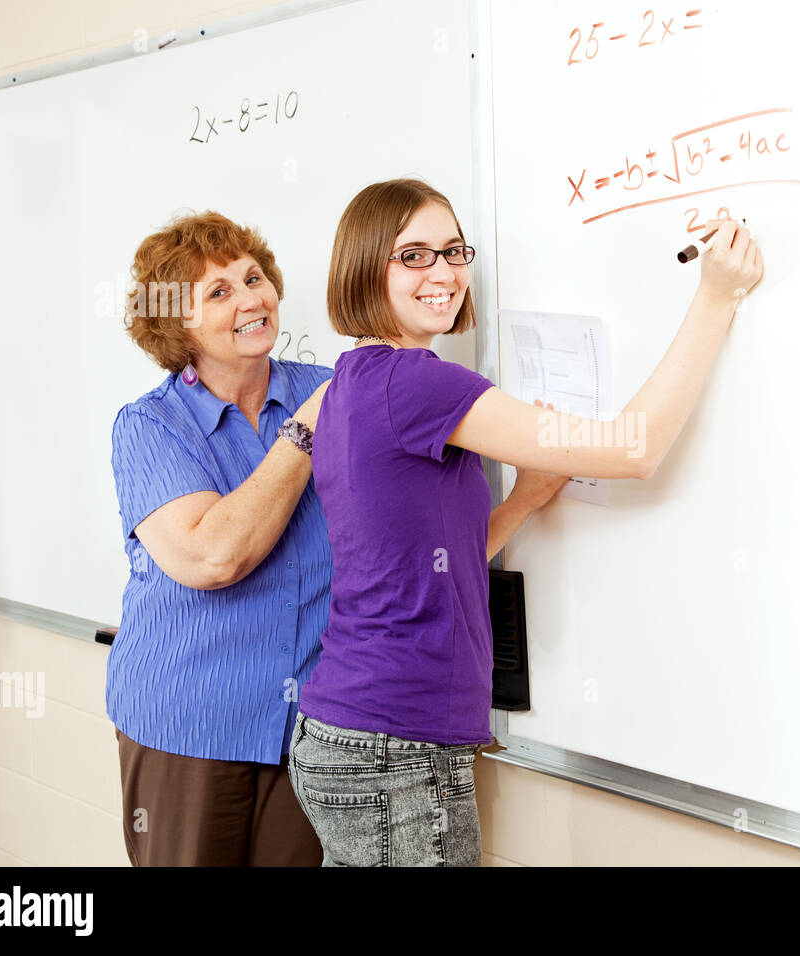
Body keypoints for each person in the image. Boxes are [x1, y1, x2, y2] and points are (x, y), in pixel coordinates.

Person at [288, 178, 763, 866]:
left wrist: (523, 502)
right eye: (414, 255)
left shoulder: (348, 387)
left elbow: (420, 559)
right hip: (396, 748)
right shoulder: (421, 384)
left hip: (346, 733)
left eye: (454, 251)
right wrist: (716, 298)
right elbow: (636, 449)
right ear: (366, 267)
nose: (445, 272)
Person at [107, 211, 334, 865]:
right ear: (179, 323)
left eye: (254, 277)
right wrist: (304, 436)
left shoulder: (327, 392)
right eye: (220, 291)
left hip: (309, 734)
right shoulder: (149, 427)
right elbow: (215, 555)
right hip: (187, 728)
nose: (251, 299)